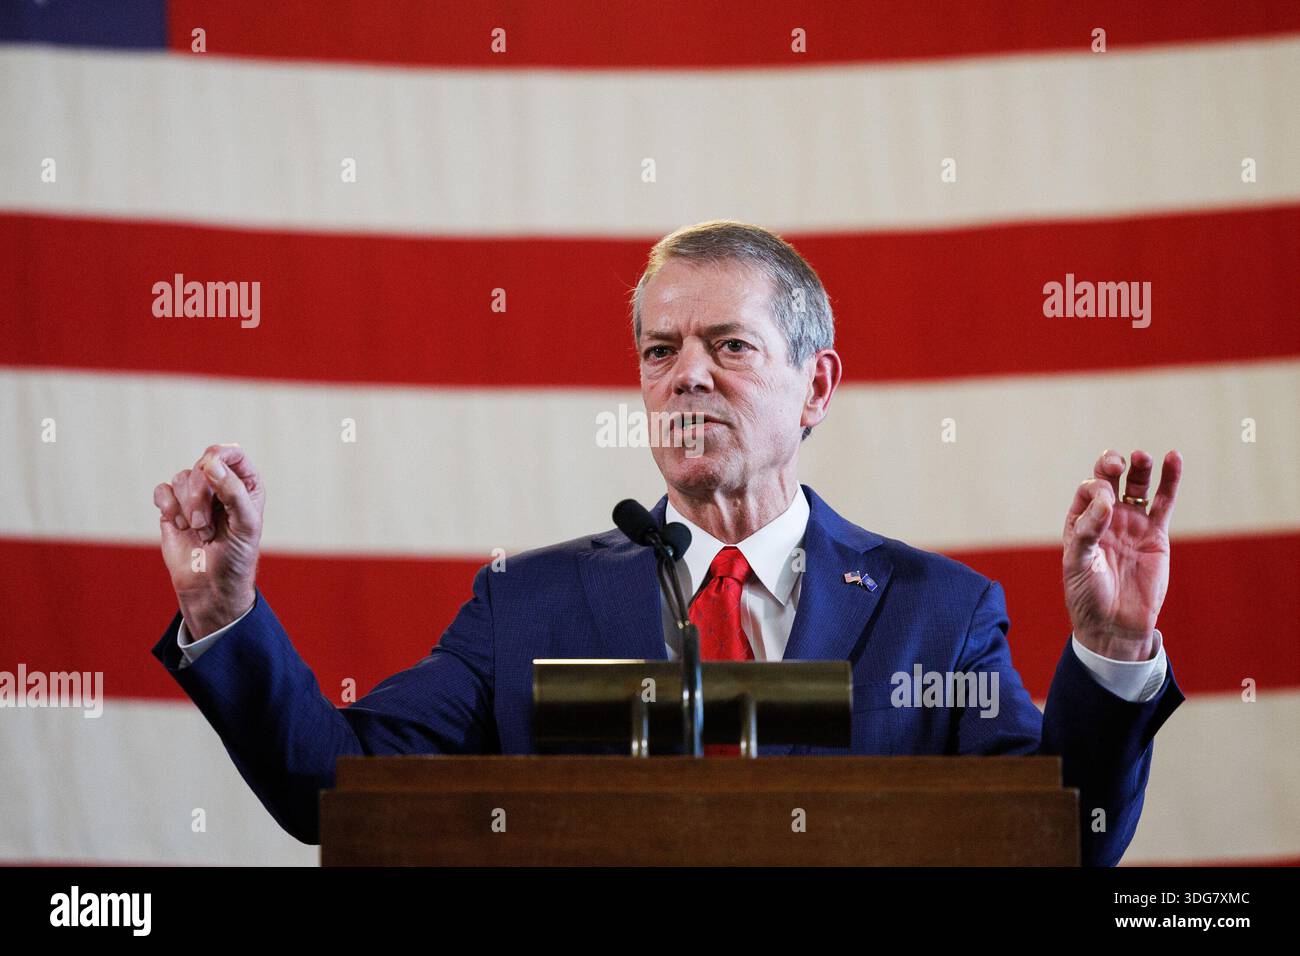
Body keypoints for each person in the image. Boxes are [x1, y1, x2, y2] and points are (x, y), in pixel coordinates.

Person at [151, 220, 1184, 865]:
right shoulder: (526, 605)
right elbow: (336, 793)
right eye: (659, 350)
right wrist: (222, 611)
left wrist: (1109, 651)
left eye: (728, 345)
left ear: (816, 385)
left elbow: (1065, 837)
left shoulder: (935, 611)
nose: (685, 374)